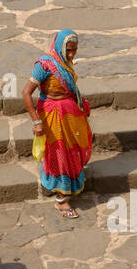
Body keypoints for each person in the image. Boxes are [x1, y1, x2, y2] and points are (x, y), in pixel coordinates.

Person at [23, 29, 92, 218]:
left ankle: (71, 181)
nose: (71, 54)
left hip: (69, 112)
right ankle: (61, 200)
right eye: (68, 50)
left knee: (72, 148)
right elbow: (26, 93)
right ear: (60, 46)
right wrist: (36, 121)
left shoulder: (65, 62)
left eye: (74, 50)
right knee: (60, 152)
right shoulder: (45, 64)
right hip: (52, 114)